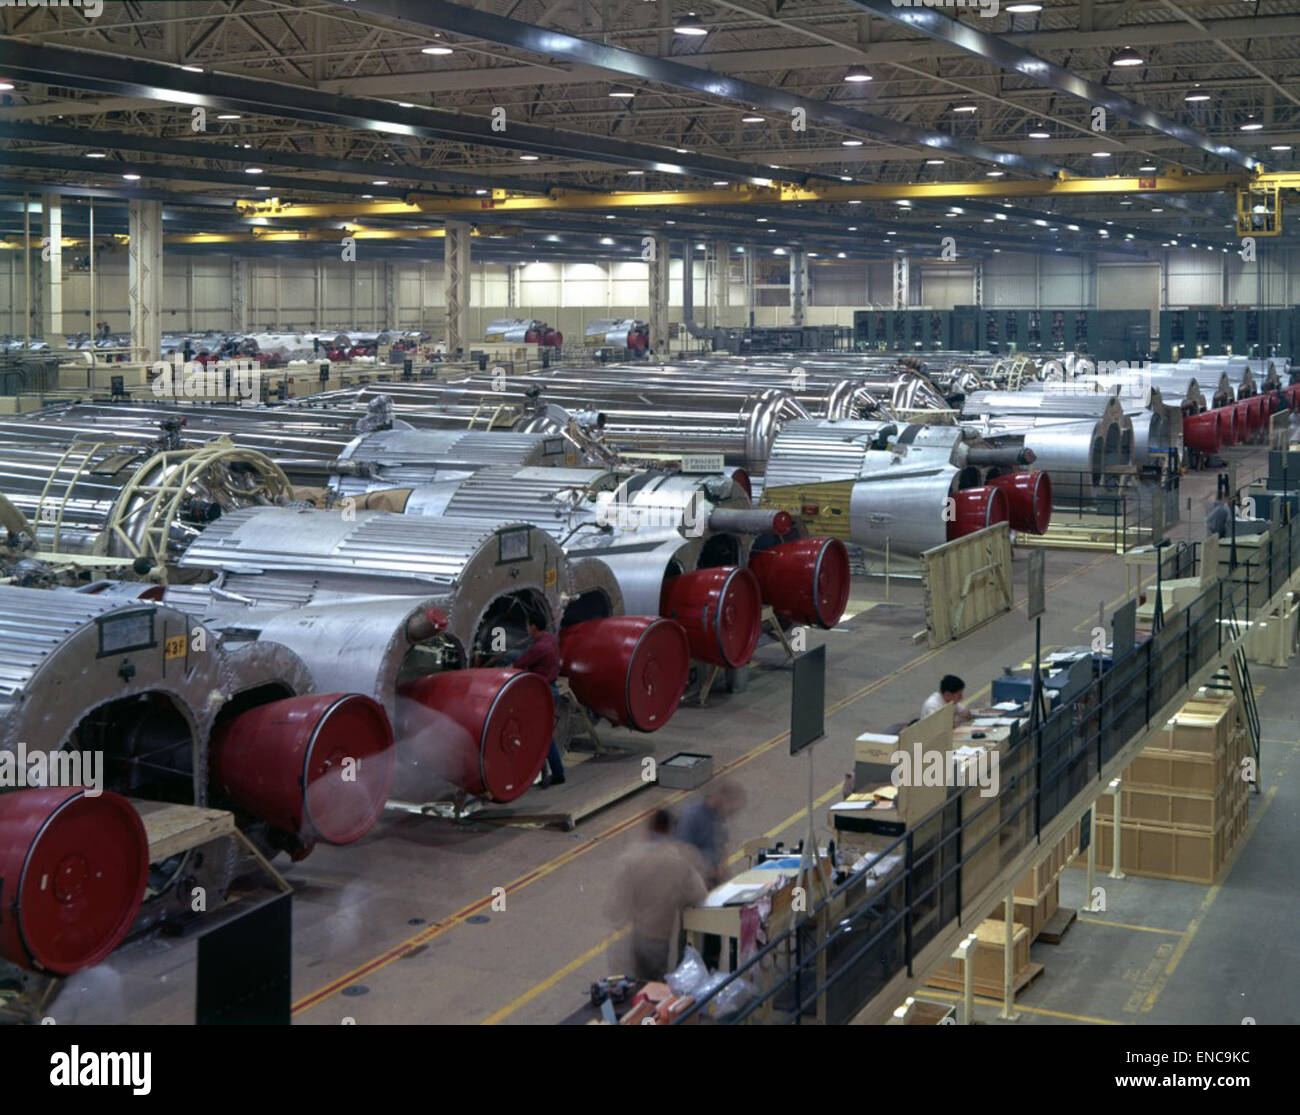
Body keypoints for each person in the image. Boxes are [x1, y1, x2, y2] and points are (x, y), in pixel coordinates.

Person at [606, 810, 707, 981]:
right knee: (656, 991)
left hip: (637, 938)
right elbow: (699, 895)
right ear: (670, 830)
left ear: (649, 828)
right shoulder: (680, 858)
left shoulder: (631, 858)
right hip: (661, 939)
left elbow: (615, 906)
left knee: (637, 985)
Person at [513, 615, 566, 786]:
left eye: (528, 626)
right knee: (544, 734)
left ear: (534, 627)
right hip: (552, 689)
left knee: (543, 736)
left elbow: (519, 663)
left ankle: (554, 774)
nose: (527, 630)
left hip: (542, 693)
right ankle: (549, 773)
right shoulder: (550, 639)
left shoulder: (539, 648)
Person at [677, 781, 746, 888]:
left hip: (714, 881)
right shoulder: (691, 817)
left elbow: (722, 848)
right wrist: (710, 872)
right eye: (731, 810)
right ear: (722, 800)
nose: (731, 815)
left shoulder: (719, 817)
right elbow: (683, 853)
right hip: (695, 883)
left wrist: (724, 871)